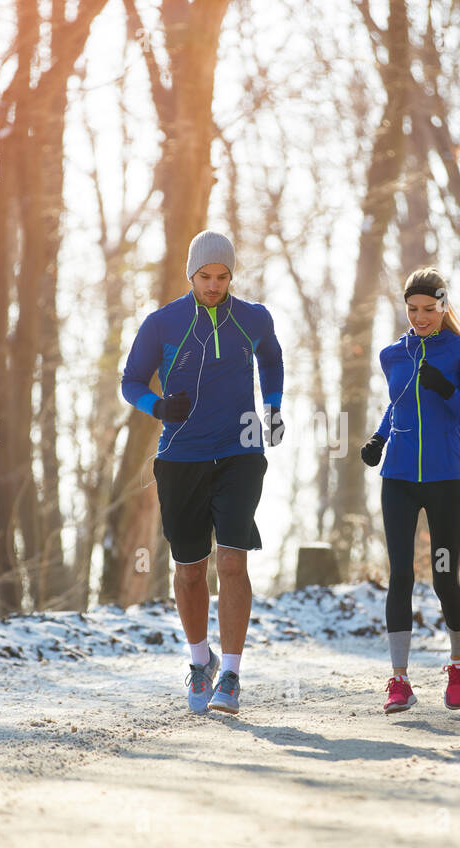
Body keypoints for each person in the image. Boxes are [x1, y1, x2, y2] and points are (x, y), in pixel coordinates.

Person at [121, 230, 284, 716]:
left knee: (232, 563)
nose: (214, 286)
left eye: (222, 277)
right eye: (205, 276)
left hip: (240, 450)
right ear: (190, 274)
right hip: (181, 455)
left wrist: (273, 406)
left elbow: (272, 359)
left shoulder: (254, 318)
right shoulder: (162, 323)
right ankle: (200, 662)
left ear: (232, 275)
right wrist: (158, 407)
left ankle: (231, 674)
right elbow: (131, 381)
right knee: (189, 570)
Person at [360, 267, 460, 714]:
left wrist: (446, 389)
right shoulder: (393, 355)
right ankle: (399, 680)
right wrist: (379, 438)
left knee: (444, 577)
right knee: (400, 576)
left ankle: (458, 663)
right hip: (398, 480)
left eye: (429, 309)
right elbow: (395, 405)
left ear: (444, 307)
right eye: (412, 309)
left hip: (446, 482)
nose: (420, 318)